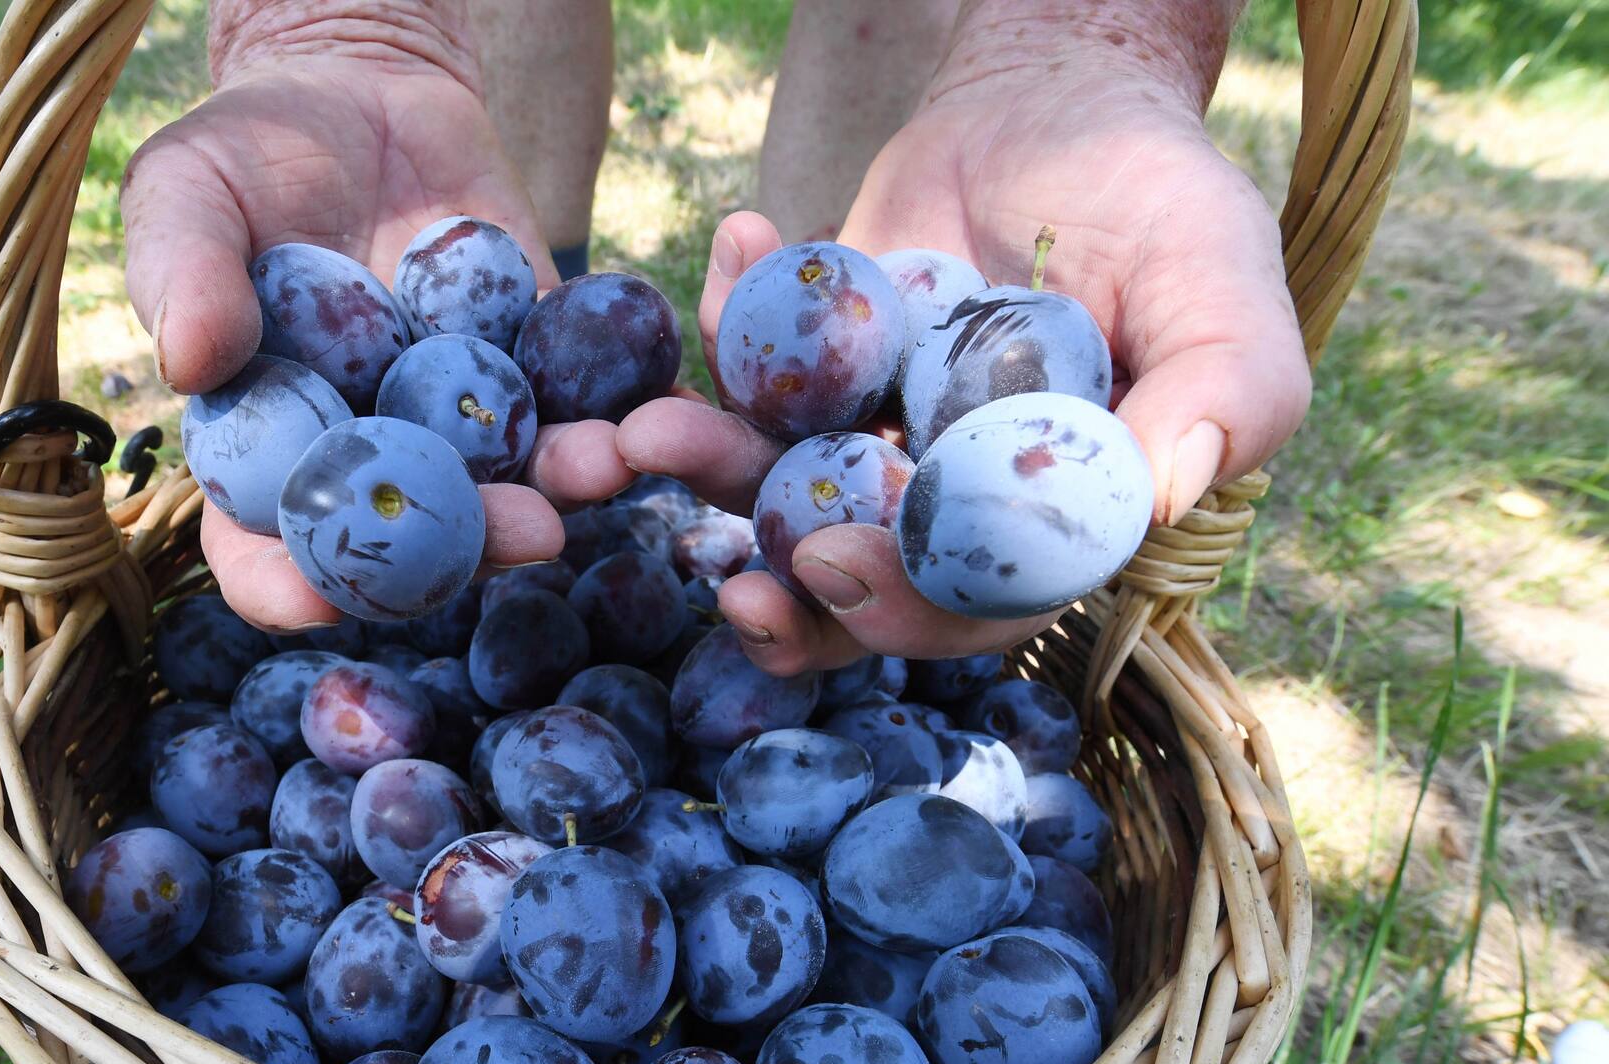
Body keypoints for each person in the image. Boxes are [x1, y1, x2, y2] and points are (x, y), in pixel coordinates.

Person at [120, 0, 1310, 672]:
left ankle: (822, 318)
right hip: (463, 391)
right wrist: (345, 30)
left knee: (811, 298)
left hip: (882, 365)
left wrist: (1073, 48)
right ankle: (555, 296)